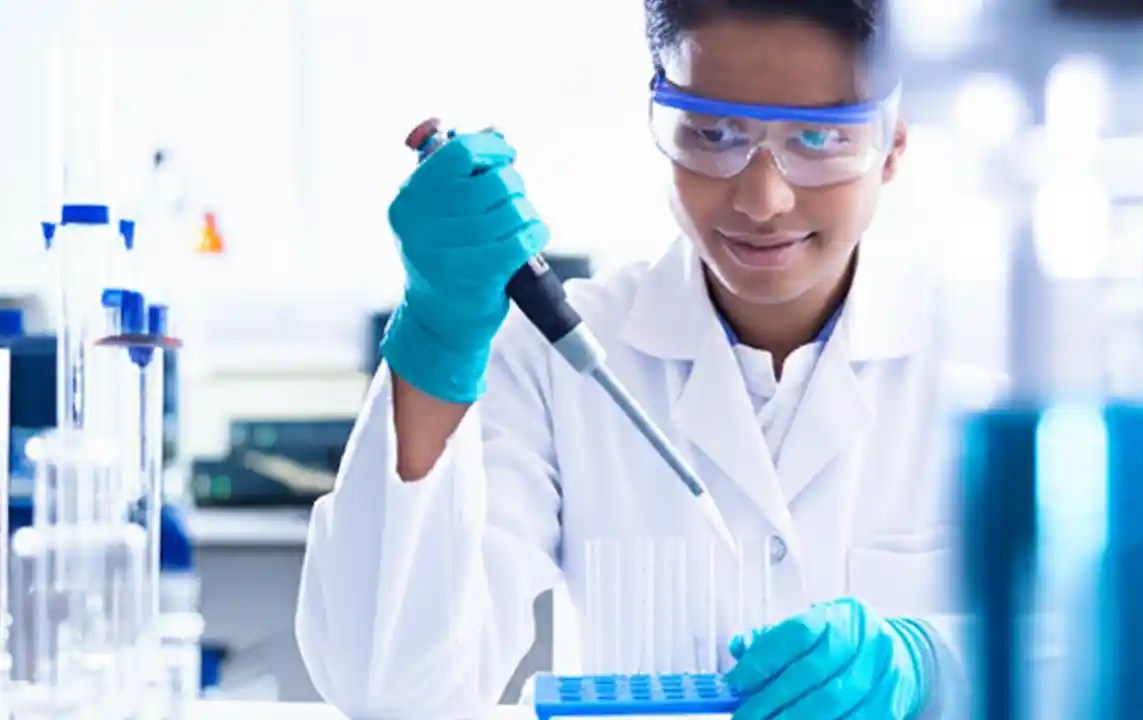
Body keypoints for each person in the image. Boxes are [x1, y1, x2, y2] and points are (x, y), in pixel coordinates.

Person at [296, 1, 996, 717]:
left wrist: (932, 666)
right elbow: (393, 692)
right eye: (713, 134)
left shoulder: (989, 365)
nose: (763, 199)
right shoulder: (554, 359)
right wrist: (439, 335)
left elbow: (1091, 651)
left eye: (818, 137)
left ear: (894, 144)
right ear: (658, 125)